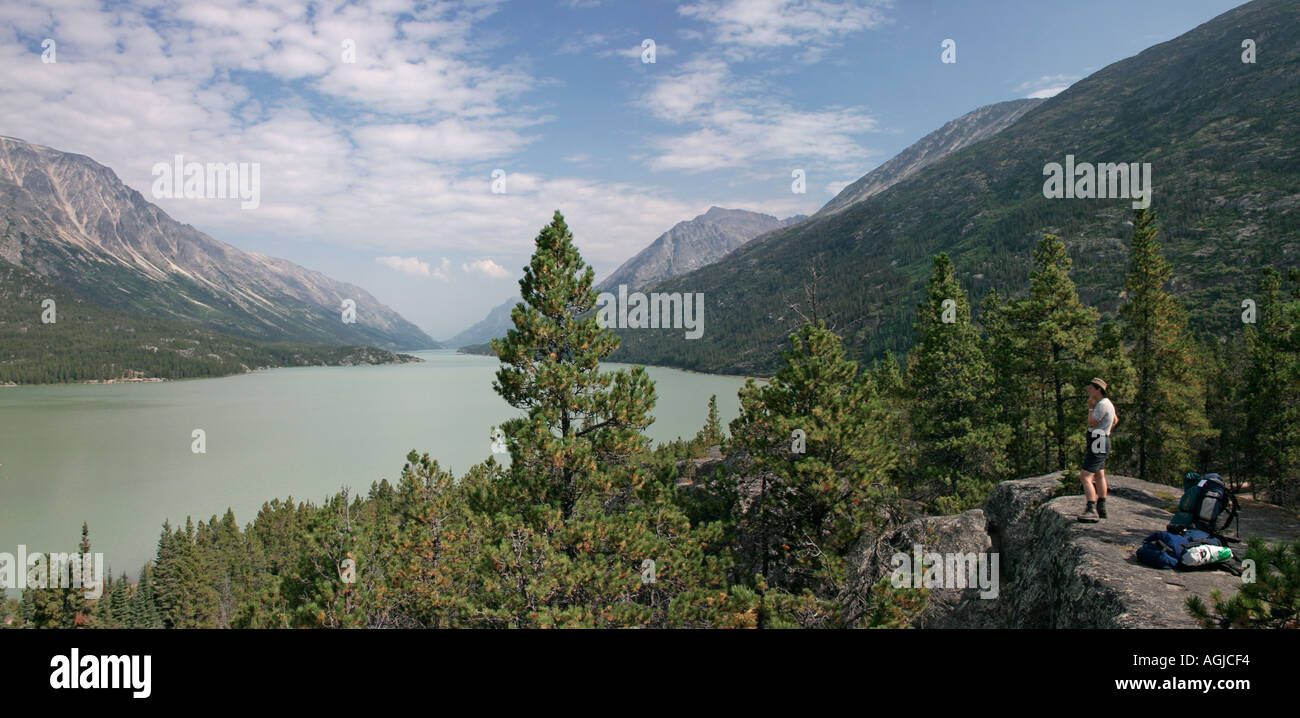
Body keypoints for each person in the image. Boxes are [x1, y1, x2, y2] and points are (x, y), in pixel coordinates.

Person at [1078, 378, 1117, 523]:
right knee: (1099, 474)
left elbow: (1091, 422)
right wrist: (1106, 430)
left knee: (1085, 476)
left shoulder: (1100, 405)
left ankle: (1091, 509)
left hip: (1098, 439)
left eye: (1091, 388)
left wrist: (1090, 408)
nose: (1089, 390)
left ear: (1098, 390)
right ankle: (1102, 507)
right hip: (1102, 438)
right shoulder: (1108, 404)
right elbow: (1115, 420)